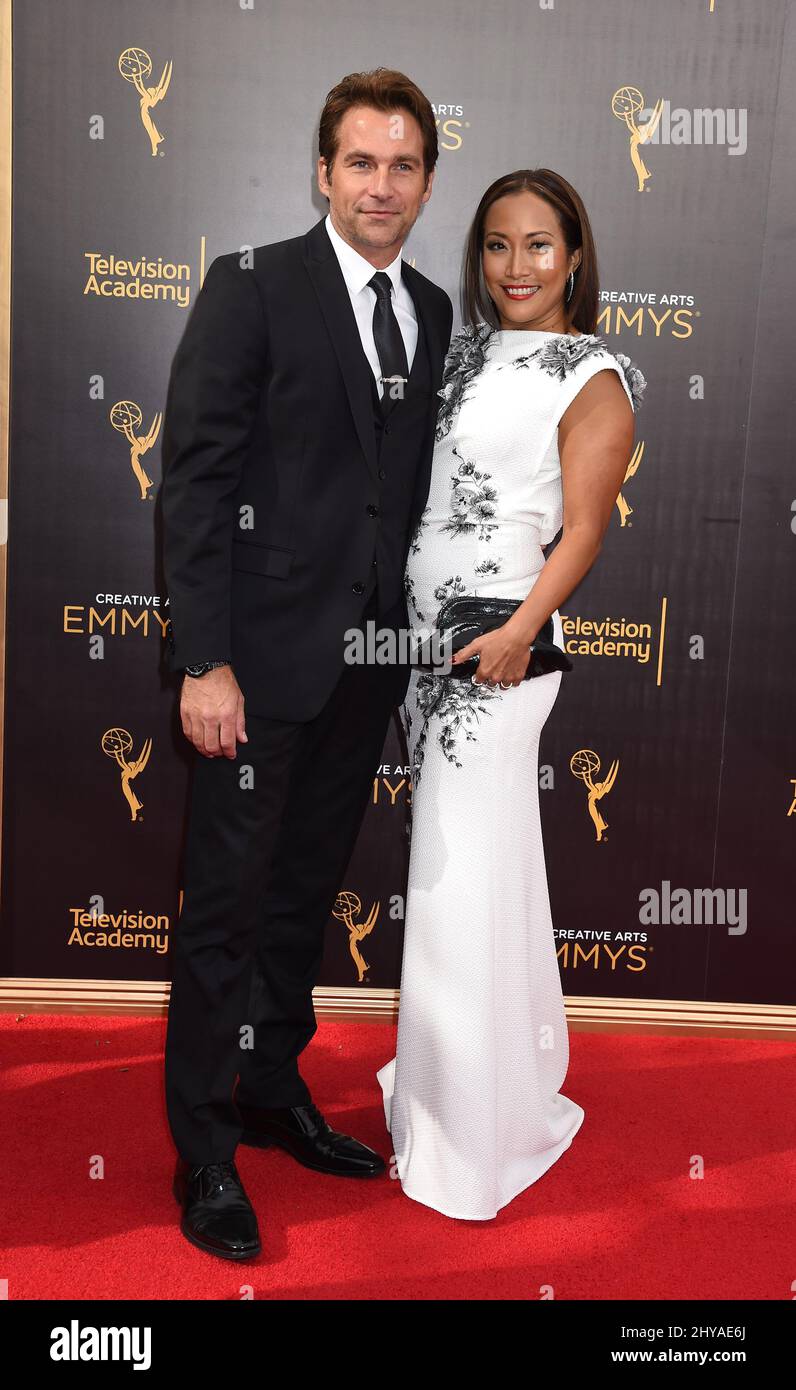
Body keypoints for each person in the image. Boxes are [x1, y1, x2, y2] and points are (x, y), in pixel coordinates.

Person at [160, 68, 453, 1260]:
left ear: (426, 180)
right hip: (255, 667)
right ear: (323, 171)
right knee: (223, 912)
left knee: (297, 902)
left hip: (365, 672)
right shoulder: (253, 288)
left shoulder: (432, 311)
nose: (382, 186)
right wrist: (204, 661)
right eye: (361, 163)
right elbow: (195, 482)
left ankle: (271, 1092)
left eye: (404, 165)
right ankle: (204, 1152)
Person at [377, 168, 645, 1220]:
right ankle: (508, 1081)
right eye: (496, 245)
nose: (516, 266)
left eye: (539, 244)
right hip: (419, 645)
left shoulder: (594, 373)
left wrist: (518, 633)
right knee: (483, 870)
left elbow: (582, 528)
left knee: (456, 879)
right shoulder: (458, 354)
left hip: (498, 647)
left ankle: (469, 1139)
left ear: (573, 254)